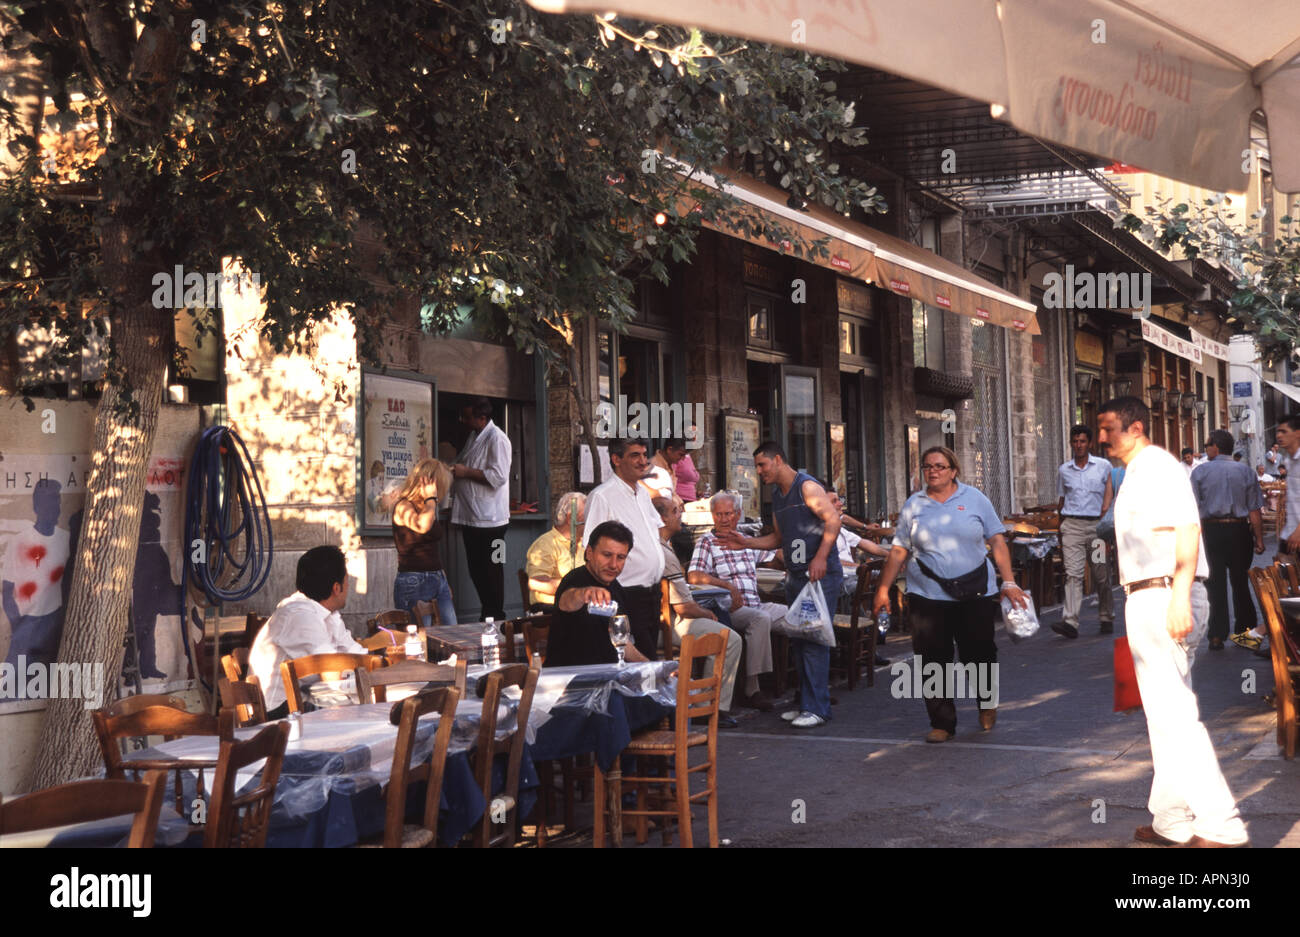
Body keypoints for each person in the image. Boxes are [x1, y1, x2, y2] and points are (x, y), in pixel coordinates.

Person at [1097, 396, 1249, 847]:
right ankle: (1171, 822)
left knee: (1176, 717)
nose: (1102, 437)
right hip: (1148, 594)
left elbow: (1188, 527)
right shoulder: (1137, 471)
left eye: (1109, 429)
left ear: (1137, 428)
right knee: (1163, 716)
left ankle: (1221, 826)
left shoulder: (1158, 466)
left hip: (1164, 593)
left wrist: (1180, 596)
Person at [873, 446, 1028, 743]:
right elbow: (898, 550)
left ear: (953, 470)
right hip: (927, 594)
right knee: (932, 657)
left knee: (979, 652)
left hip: (976, 592)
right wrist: (882, 590)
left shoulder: (974, 499)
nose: (933, 471)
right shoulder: (914, 504)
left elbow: (996, 540)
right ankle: (942, 722)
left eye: (940, 466)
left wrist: (1008, 582)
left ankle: (987, 702)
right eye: (927, 466)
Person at [716, 443, 841, 729]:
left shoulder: (807, 487)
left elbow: (833, 520)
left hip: (819, 575)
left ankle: (818, 708)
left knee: (814, 638)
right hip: (797, 575)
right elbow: (777, 539)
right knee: (799, 638)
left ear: (778, 460)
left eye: (762, 465)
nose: (758, 472)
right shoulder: (777, 495)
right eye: (757, 467)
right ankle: (807, 704)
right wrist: (744, 542)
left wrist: (821, 558)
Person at [688, 490, 783, 711]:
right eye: (718, 514)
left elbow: (772, 556)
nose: (723, 519)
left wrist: (794, 558)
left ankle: (808, 687)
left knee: (801, 618)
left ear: (738, 514)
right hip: (730, 608)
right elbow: (694, 576)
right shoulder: (707, 542)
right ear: (712, 516)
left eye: (728, 514)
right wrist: (727, 587)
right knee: (760, 619)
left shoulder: (745, 540)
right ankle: (753, 688)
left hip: (757, 602)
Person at [654, 496, 742, 727]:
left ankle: (705, 701)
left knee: (723, 626)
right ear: (661, 518)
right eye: (675, 511)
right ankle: (708, 708)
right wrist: (705, 614)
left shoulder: (661, 545)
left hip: (665, 617)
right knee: (728, 638)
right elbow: (683, 606)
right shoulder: (662, 550)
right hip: (668, 622)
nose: (680, 515)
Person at [248, 545, 365, 719]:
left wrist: (379, 663)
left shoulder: (327, 612)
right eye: (347, 581)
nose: (349, 587)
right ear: (336, 588)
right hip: (273, 714)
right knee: (361, 713)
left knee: (362, 704)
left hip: (301, 703)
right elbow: (331, 672)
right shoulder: (299, 614)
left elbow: (356, 654)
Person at [582, 438, 665, 659]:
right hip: (626, 594)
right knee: (643, 662)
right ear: (616, 459)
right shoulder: (602, 496)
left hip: (652, 594)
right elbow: (590, 552)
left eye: (645, 455)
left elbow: (656, 534)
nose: (643, 461)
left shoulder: (644, 494)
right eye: (635, 455)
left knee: (648, 661)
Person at [1189, 430, 1264, 652]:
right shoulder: (1246, 472)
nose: (1205, 449)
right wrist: (1259, 539)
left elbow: (1192, 510)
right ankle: (1245, 631)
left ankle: (1216, 635)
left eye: (1207, 445)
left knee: (1215, 584)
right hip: (1240, 531)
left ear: (1216, 447)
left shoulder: (1199, 472)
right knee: (1241, 581)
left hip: (1211, 531)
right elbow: (1254, 509)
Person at [546, 521, 650, 668]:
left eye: (620, 557)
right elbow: (567, 601)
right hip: (571, 680)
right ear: (589, 553)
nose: (613, 564)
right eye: (607, 555)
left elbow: (622, 642)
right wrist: (584, 594)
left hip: (609, 676)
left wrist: (654, 668)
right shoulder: (574, 579)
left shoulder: (615, 587)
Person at [451, 398, 513, 621]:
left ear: (482, 418)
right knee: (476, 571)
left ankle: (496, 616)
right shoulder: (474, 435)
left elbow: (498, 476)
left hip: (494, 522)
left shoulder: (498, 439)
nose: (463, 421)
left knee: (494, 570)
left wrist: (466, 472)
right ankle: (487, 613)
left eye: (467, 417)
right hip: (472, 518)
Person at [1054, 424, 1115, 639]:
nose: (1078, 445)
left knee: (1101, 573)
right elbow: (1061, 499)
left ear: (1089, 443)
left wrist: (1106, 521)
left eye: (1082, 441)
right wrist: (1061, 526)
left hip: (1096, 529)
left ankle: (1106, 615)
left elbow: (1110, 495)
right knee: (1073, 574)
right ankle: (1070, 621)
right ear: (1071, 443)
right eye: (1075, 441)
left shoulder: (1103, 466)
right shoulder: (1064, 470)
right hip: (1072, 527)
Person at [2, 479, 69, 670]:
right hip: (26, 622)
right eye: (48, 501)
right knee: (13, 685)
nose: (54, 506)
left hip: (55, 621)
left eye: (57, 500)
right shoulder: (19, 542)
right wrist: (18, 627)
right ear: (36, 505)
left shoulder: (66, 540)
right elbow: (7, 592)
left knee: (54, 682)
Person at [392, 459, 457, 628]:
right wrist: (430, 499)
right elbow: (422, 526)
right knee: (420, 639)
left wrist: (444, 579)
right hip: (414, 580)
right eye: (440, 488)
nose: (441, 494)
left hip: (436, 577)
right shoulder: (404, 506)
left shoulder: (428, 508)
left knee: (451, 631)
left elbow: (432, 549)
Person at [524, 492, 587, 608]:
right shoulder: (546, 544)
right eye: (586, 517)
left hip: (583, 605)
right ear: (570, 518)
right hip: (551, 609)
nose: (589, 522)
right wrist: (578, 587)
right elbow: (536, 583)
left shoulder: (586, 543)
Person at [1275, 414, 1300, 564]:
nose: (1279, 436)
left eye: (1284, 431)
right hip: (1291, 532)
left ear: (1297, 433)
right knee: (1285, 576)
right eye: (1278, 431)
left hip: (1297, 532)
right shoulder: (1289, 461)